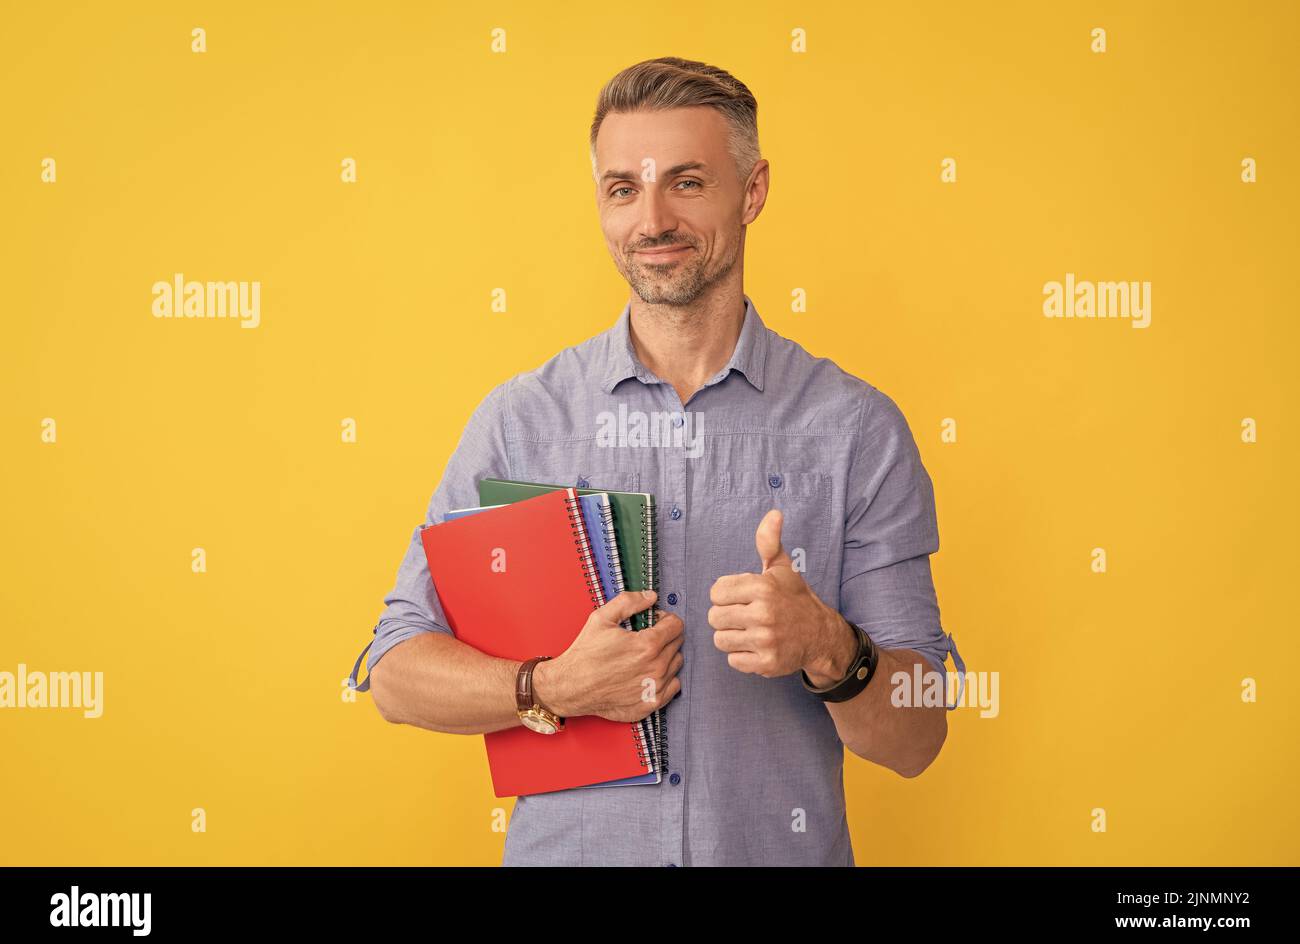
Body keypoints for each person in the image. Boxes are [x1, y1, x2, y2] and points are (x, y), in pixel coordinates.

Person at [346, 56, 964, 866]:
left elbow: (918, 738)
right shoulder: (523, 420)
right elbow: (393, 672)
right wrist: (550, 687)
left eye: (687, 182)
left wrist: (827, 645)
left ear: (752, 191)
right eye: (623, 190)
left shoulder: (855, 430)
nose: (653, 219)